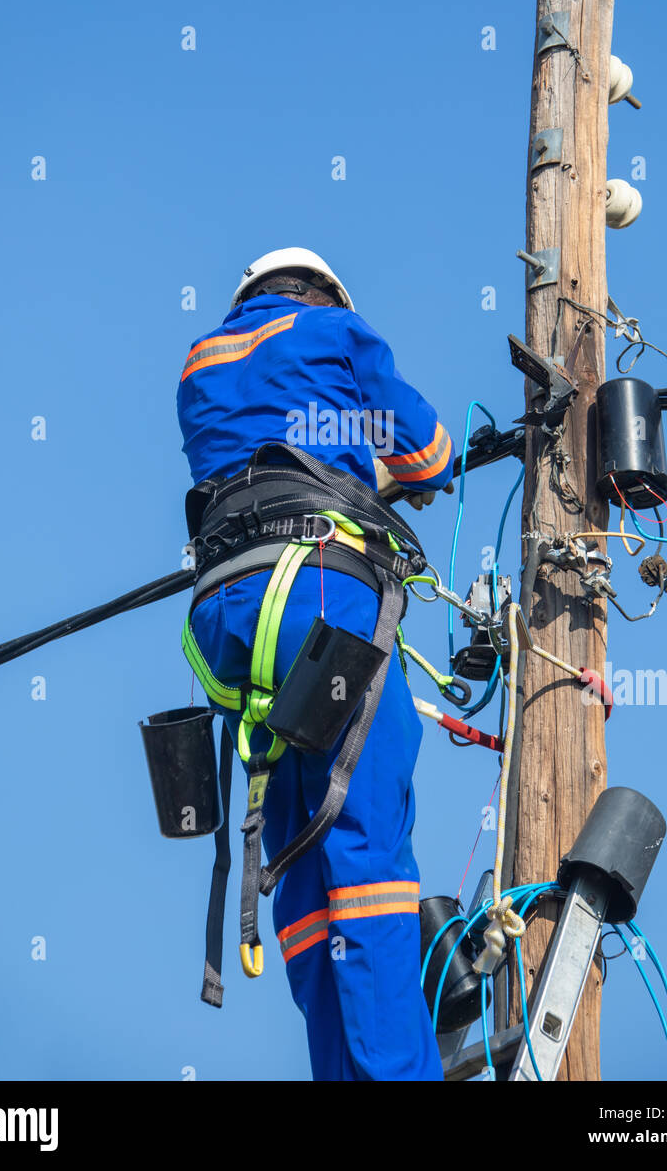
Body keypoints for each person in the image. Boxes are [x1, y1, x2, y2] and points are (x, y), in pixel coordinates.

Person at [176, 248, 455, 1081]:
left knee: (295, 847)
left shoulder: (200, 365)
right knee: (366, 840)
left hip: (228, 620)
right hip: (322, 595)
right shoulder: (338, 328)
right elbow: (430, 454)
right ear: (326, 290)